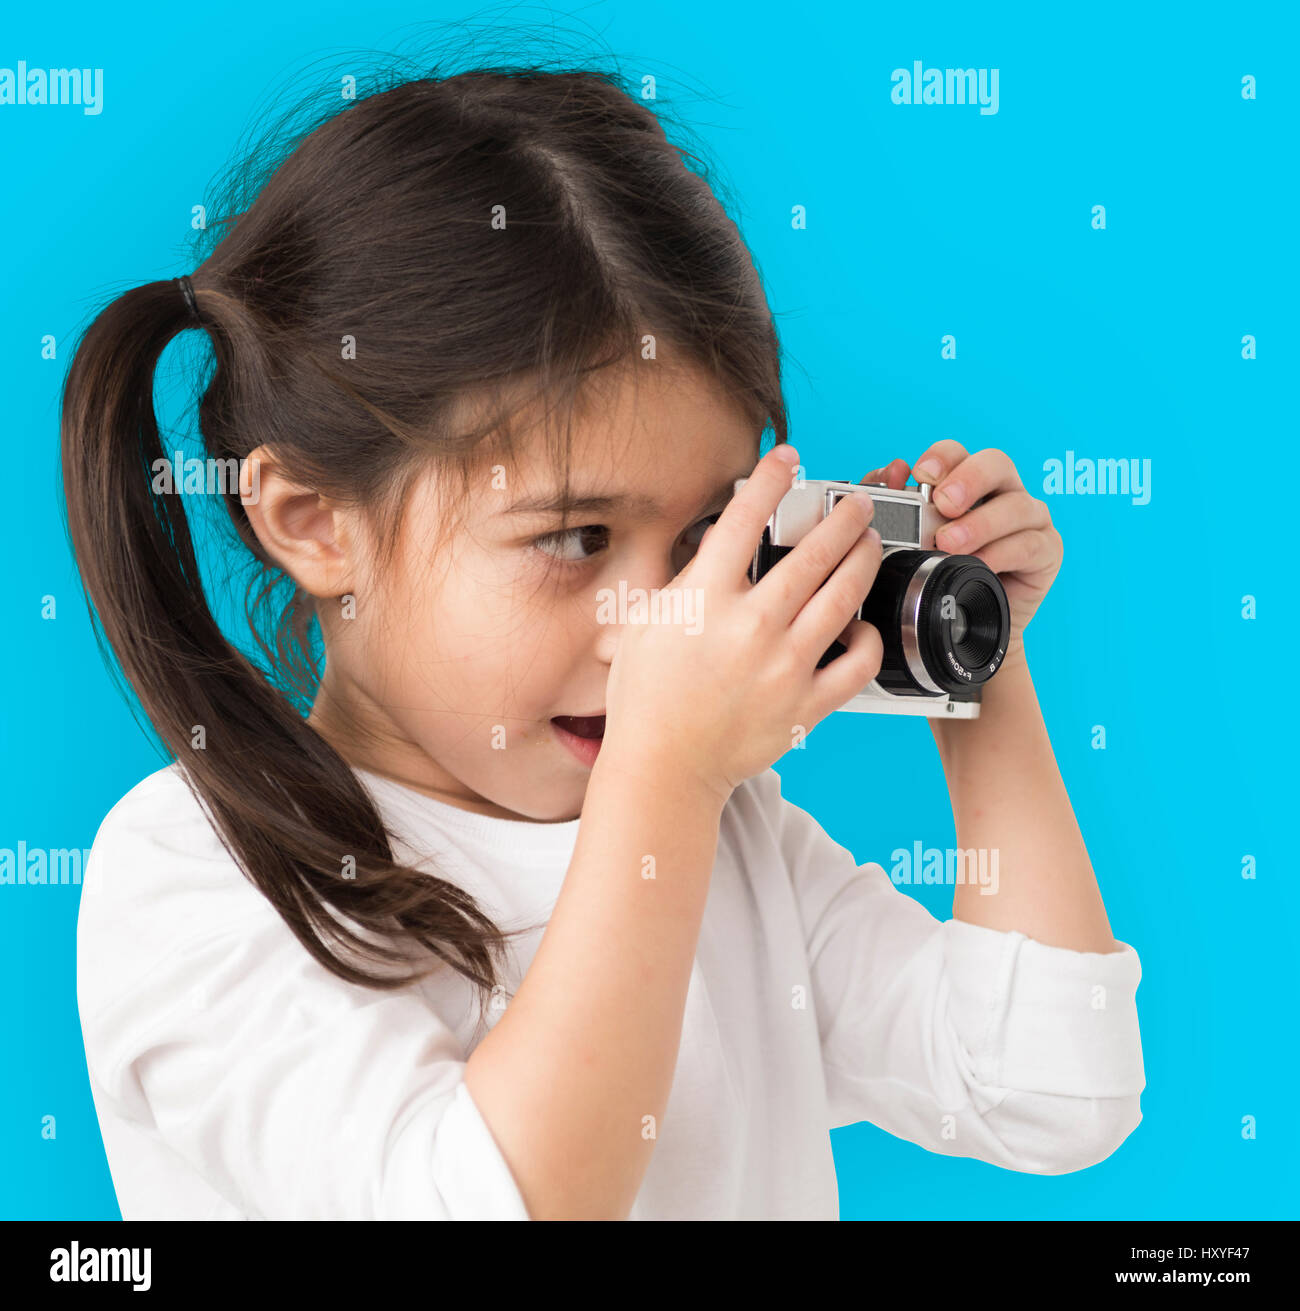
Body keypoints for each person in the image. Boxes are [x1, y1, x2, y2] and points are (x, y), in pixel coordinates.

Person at [62, 63, 1143, 1221]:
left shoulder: (729, 835)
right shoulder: (201, 873)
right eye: (577, 538)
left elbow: (1051, 1093)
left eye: (702, 538)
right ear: (315, 524)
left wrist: (968, 667)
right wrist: (666, 782)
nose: (658, 626)